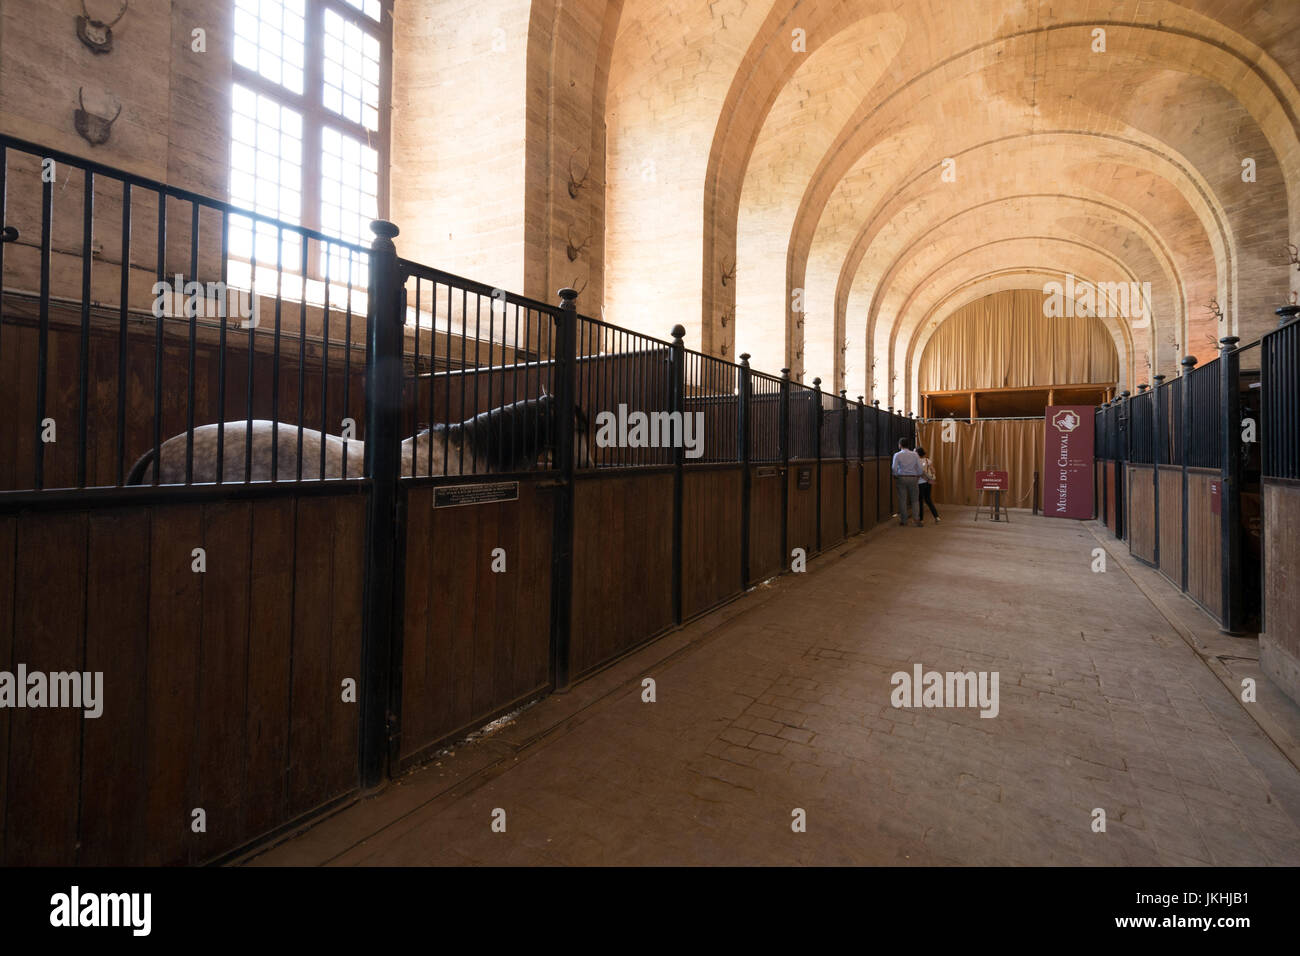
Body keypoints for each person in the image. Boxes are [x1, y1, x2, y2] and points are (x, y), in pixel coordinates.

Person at [890, 437, 924, 526]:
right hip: (913, 478)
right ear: (908, 445)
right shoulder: (915, 455)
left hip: (902, 478)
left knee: (902, 500)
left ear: (900, 445)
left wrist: (896, 475)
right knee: (915, 500)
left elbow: (894, 468)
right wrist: (918, 475)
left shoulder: (897, 455)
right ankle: (916, 519)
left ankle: (904, 520)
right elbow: (920, 467)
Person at [916, 446, 941, 523]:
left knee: (920, 501)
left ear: (917, 453)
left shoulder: (916, 462)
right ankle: (936, 517)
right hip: (929, 483)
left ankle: (921, 519)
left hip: (920, 483)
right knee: (928, 500)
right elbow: (933, 470)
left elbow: (920, 473)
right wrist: (931, 478)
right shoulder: (928, 460)